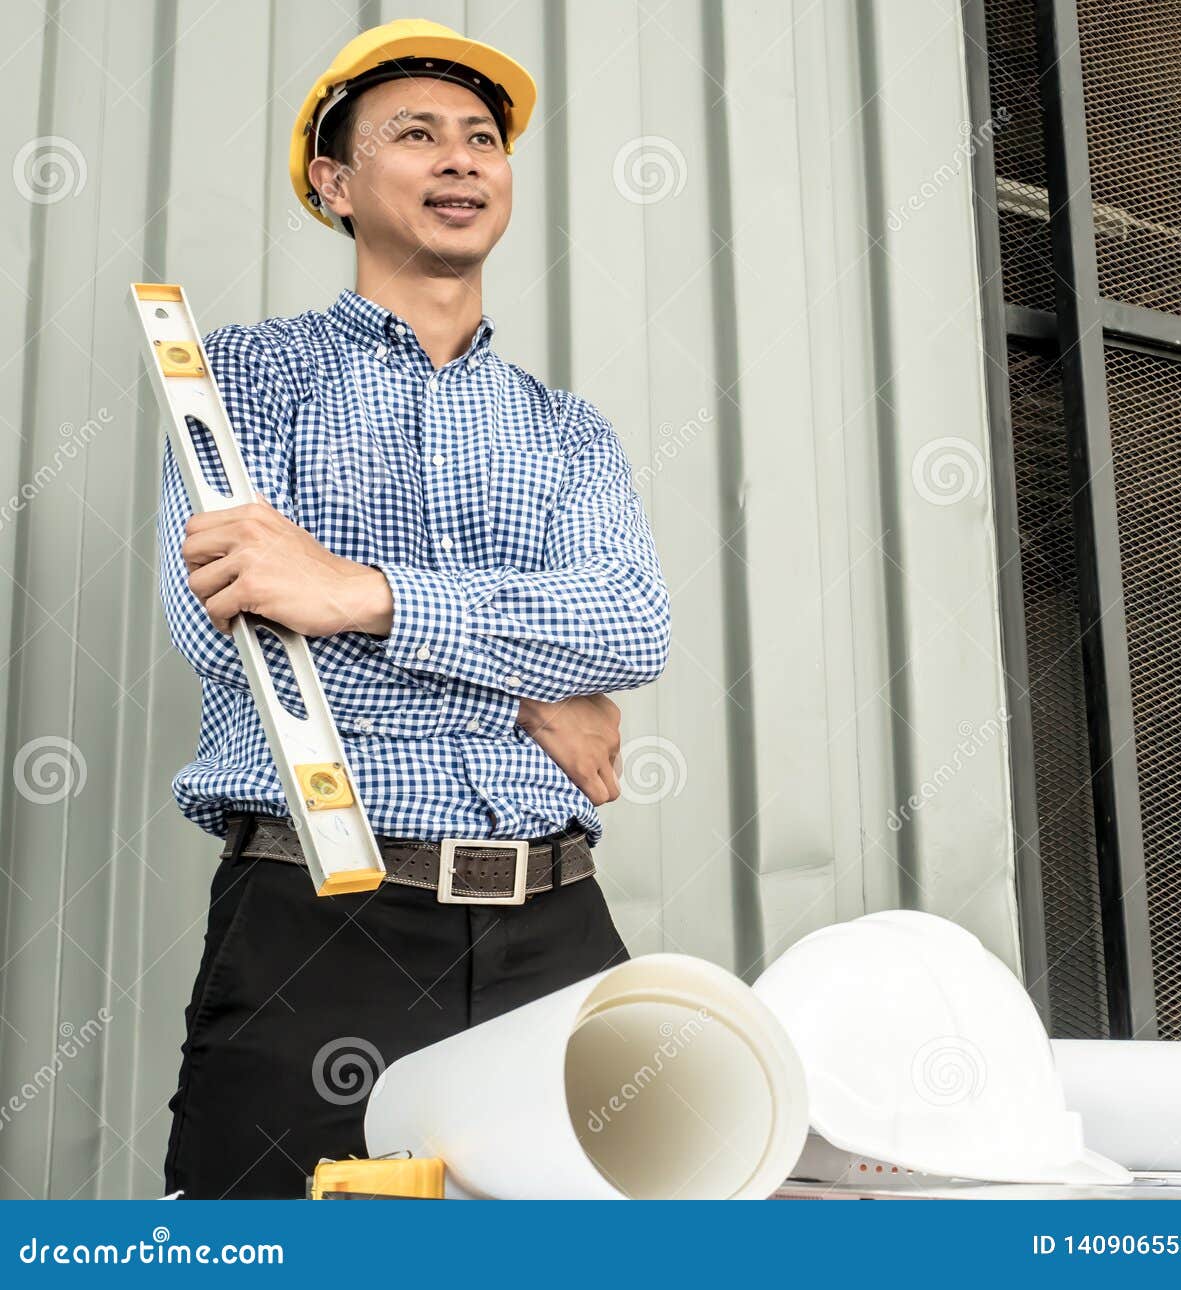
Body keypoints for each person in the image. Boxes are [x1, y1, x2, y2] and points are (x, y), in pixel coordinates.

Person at [156, 19, 670, 1199]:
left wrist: (357, 594)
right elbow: (235, 644)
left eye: (482, 138)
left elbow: (632, 627)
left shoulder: (567, 429)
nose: (461, 159)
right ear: (335, 185)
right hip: (320, 924)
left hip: (557, 926)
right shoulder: (239, 378)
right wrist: (539, 676)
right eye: (416, 134)